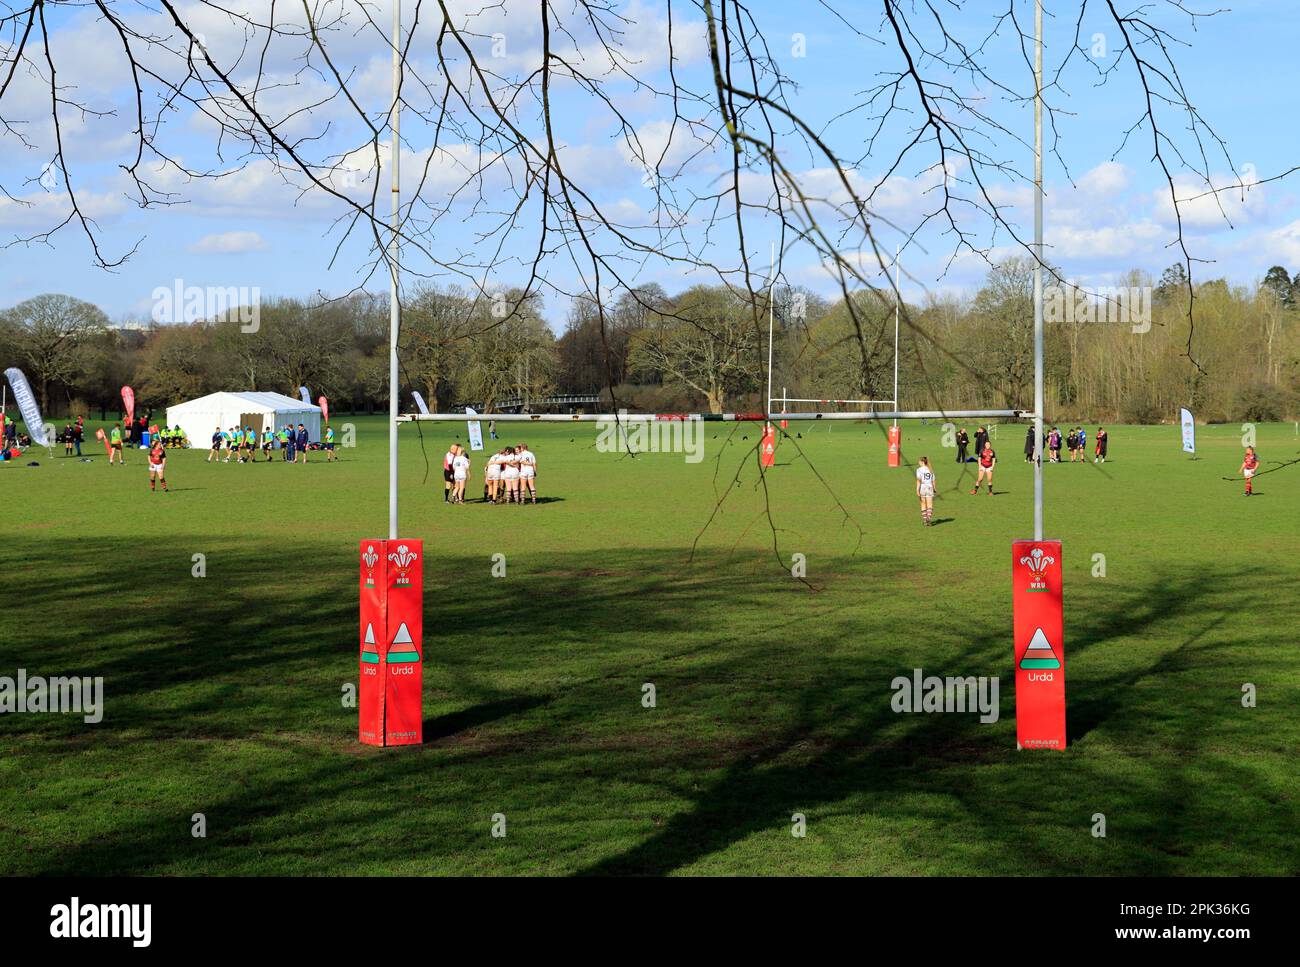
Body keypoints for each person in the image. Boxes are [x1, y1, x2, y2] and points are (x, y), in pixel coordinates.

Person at [916, 456, 936, 526]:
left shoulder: (919, 470)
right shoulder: (930, 469)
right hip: (929, 486)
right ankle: (929, 519)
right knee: (930, 504)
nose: (918, 462)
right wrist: (934, 488)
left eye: (919, 461)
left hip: (923, 487)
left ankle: (925, 520)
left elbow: (918, 481)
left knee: (923, 504)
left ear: (922, 462)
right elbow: (933, 480)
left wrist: (917, 490)